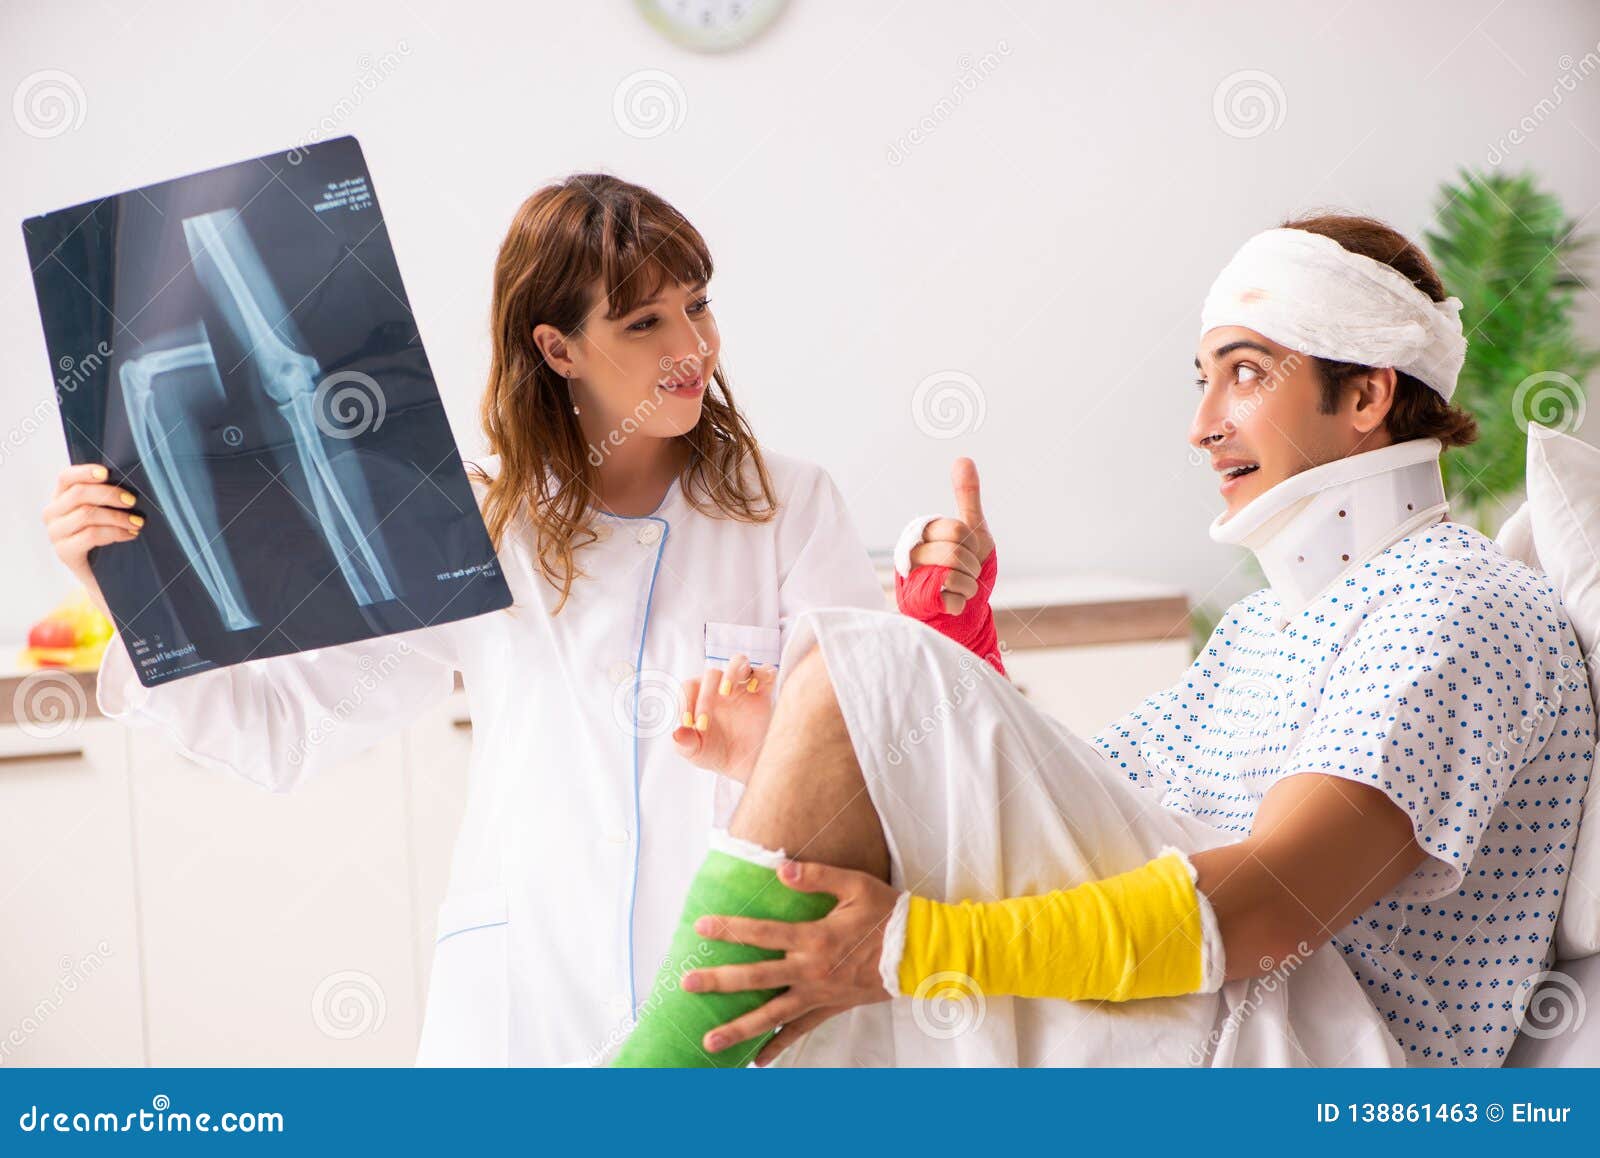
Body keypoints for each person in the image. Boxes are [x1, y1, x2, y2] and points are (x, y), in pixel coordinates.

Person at [611, 214, 1596, 1069]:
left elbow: (1264, 914)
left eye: (1245, 374)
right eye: (1202, 380)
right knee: (853, 717)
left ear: (1368, 397)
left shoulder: (1458, 610)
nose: (1201, 426)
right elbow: (1077, 831)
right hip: (1204, 1019)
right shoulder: (1269, 625)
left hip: (1307, 1059)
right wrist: (934, 672)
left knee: (864, 671)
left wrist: (913, 948)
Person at [44, 174, 887, 1066]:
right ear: (559, 349)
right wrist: (119, 583)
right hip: (528, 1006)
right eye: (644, 323)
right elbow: (279, 734)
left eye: (698, 305)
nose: (693, 346)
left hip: (741, 1012)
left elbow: (875, 766)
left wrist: (766, 749)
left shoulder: (785, 505)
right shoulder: (476, 523)